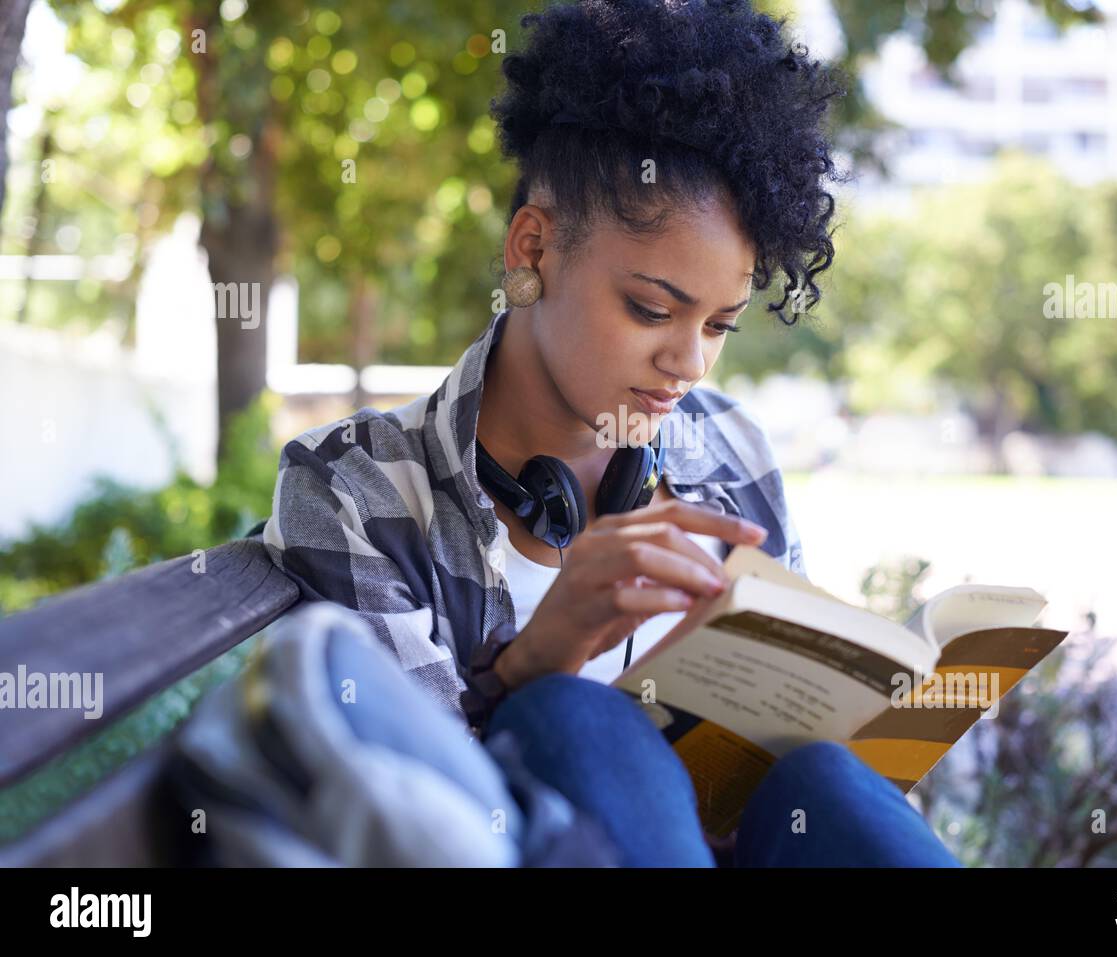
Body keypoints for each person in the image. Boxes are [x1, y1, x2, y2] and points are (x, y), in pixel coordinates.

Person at [264, 0, 959, 867]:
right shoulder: (357, 492)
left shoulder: (730, 450)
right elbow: (411, 813)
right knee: (571, 718)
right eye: (651, 309)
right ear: (532, 250)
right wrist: (527, 669)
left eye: (720, 325)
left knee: (824, 778)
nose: (690, 364)